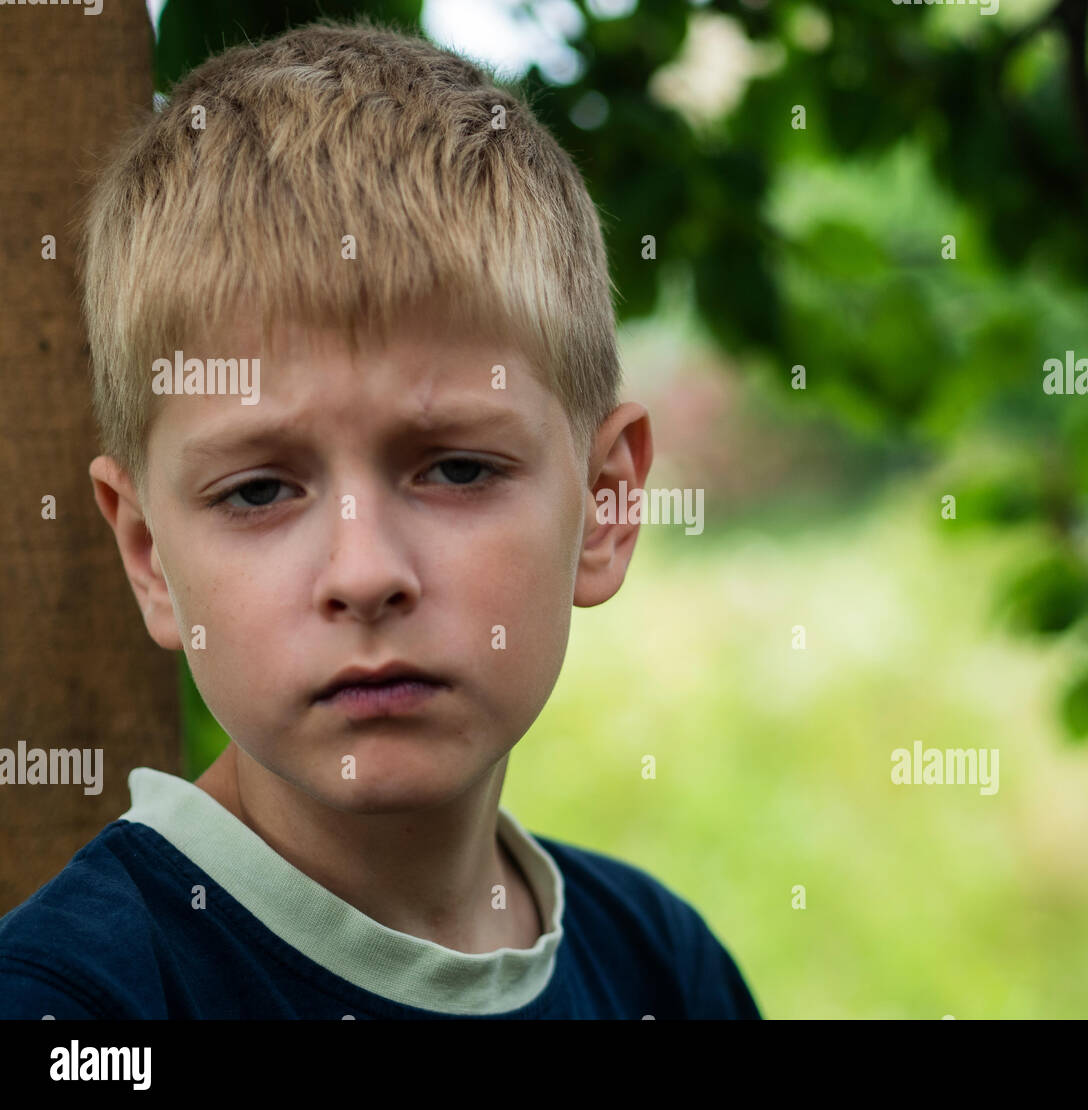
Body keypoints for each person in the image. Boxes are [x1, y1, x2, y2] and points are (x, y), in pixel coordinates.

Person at [0, 18, 760, 1020]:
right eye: (260, 492)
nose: (363, 574)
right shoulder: (77, 1007)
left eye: (454, 468)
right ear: (147, 556)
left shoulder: (664, 969)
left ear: (606, 503)